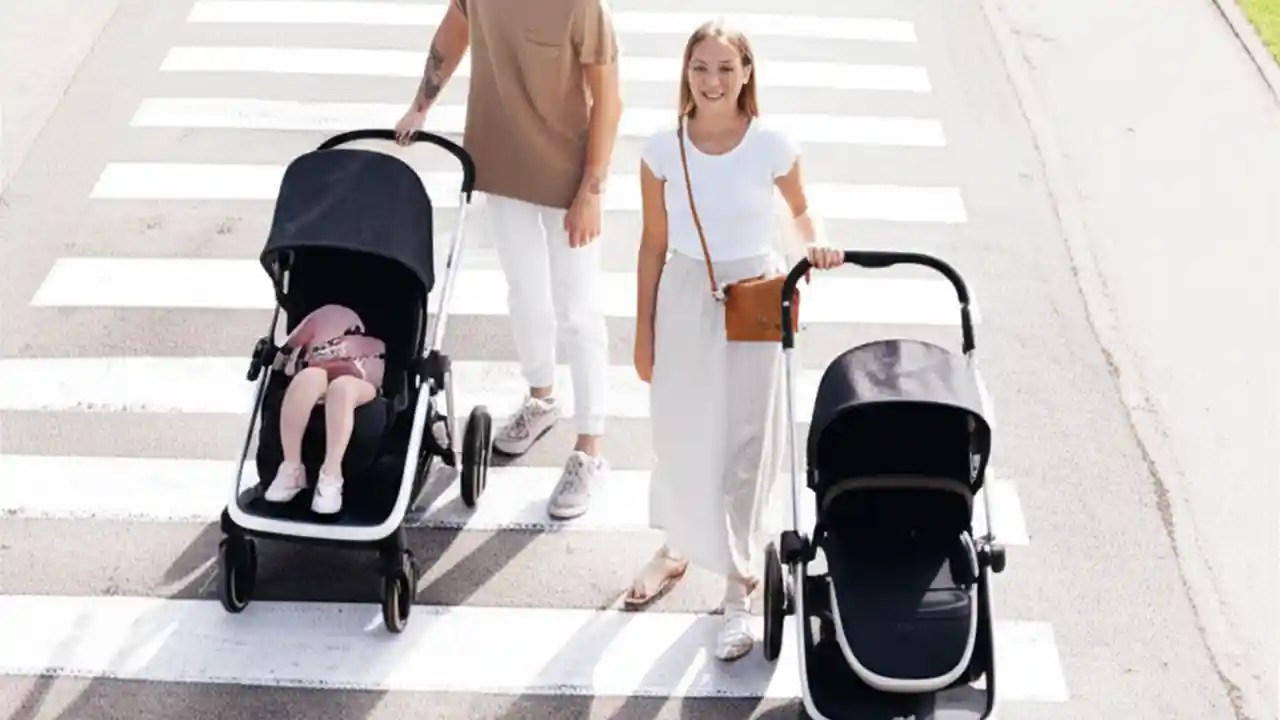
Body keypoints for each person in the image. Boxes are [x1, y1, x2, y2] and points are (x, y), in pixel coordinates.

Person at [625, 21, 844, 661]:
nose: (713, 81)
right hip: (686, 293)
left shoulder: (771, 143)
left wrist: (817, 244)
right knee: (680, 430)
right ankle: (677, 548)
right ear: (685, 73)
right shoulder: (662, 150)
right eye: (700, 67)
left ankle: (737, 588)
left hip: (754, 294)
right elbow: (652, 246)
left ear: (747, 72)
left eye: (726, 68)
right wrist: (644, 334)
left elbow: (802, 213)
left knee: (748, 439)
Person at [393, 0, 622, 519]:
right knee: (524, 291)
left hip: (568, 178)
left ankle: (591, 446)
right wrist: (420, 106)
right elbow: (454, 33)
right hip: (499, 166)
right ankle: (541, 398)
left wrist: (592, 188)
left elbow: (609, 99)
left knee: (579, 311)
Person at [261, 303, 388, 515]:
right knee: (308, 377)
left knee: (342, 388)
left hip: (360, 380)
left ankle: (331, 474)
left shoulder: (369, 341)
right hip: (319, 371)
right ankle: (292, 466)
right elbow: (288, 349)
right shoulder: (323, 315)